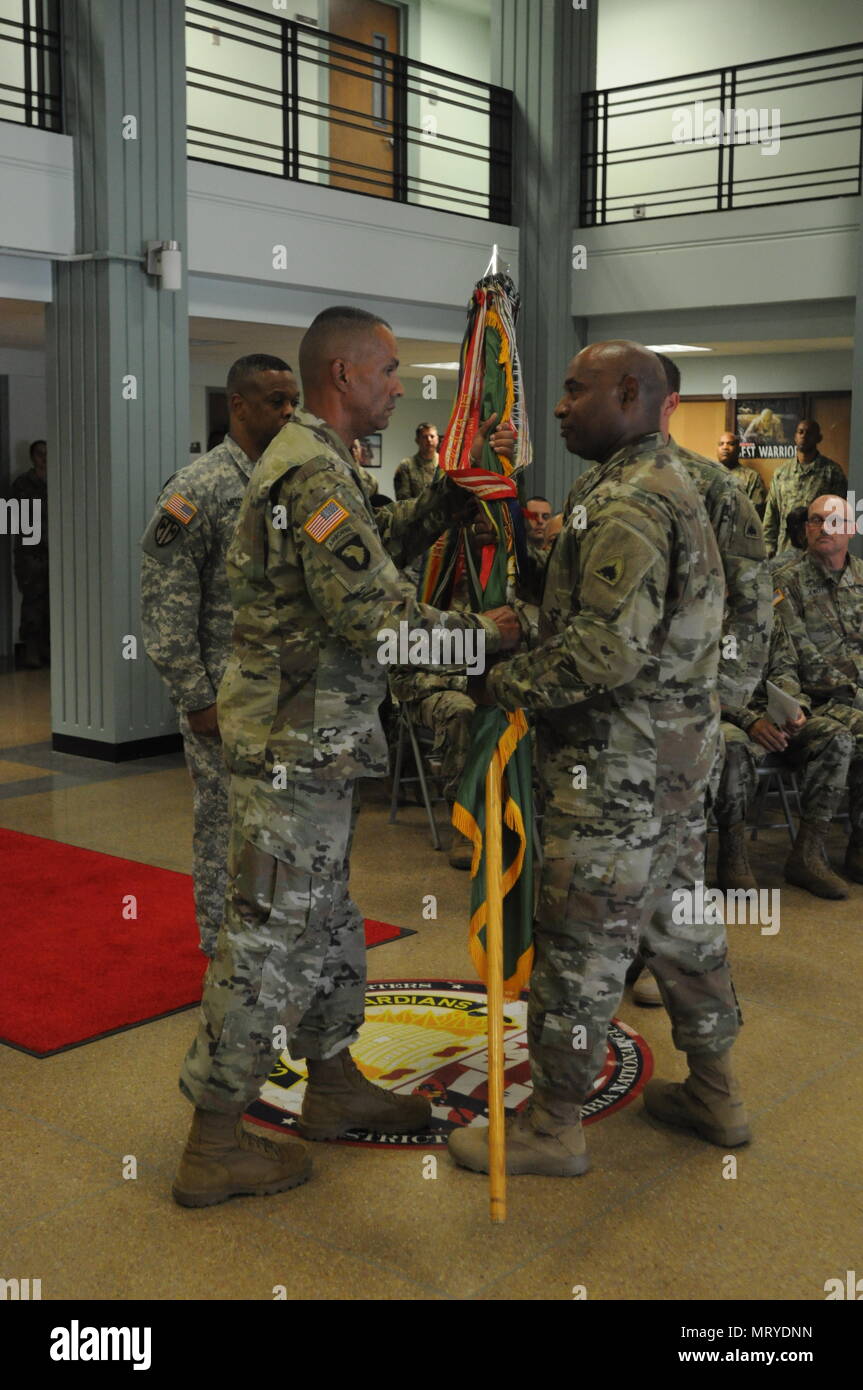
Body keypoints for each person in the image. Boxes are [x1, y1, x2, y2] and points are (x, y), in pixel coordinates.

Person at [173, 306, 520, 1207]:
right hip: (293, 747)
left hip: (313, 744)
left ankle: (331, 1084)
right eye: (390, 370)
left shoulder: (323, 466)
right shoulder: (311, 477)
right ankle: (213, 1140)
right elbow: (389, 626)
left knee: (326, 924)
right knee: (266, 938)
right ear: (344, 375)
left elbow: (379, 546)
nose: (400, 386)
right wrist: (495, 634)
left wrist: (453, 492)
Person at [448, 340, 748, 1180]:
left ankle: (552, 1125)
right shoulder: (659, 482)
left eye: (574, 390)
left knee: (581, 947)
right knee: (681, 927)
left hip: (614, 773)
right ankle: (715, 1091)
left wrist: (504, 685)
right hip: (673, 767)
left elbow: (602, 652)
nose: (557, 405)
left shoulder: (628, 499)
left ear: (627, 392)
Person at [622, 355, 770, 1004]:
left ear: (665, 403)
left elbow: (753, 598)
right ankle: (628, 950)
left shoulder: (712, 488)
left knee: (677, 844)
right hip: (616, 706)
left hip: (683, 707)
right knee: (625, 841)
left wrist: (725, 694)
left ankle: (674, 970)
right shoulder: (605, 484)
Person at [141, 354, 299, 957]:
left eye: (293, 401)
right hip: (226, 702)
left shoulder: (296, 481)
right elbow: (165, 605)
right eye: (274, 401)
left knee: (284, 822)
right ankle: (222, 951)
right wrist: (197, 697)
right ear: (237, 404)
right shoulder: (195, 489)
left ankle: (276, 938)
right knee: (224, 827)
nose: (288, 412)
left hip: (291, 695)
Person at [718, 494, 863, 898]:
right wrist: (750, 720)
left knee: (837, 738)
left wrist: (792, 708)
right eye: (815, 521)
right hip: (728, 719)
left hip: (781, 709)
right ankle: (732, 859)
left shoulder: (761, 610)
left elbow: (785, 663)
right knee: (731, 750)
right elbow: (694, 685)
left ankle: (809, 855)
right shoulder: (699, 614)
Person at [762, 419, 846, 557]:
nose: (804, 436)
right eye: (800, 432)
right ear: (795, 437)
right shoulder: (781, 473)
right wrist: (768, 547)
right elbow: (771, 513)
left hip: (818, 553)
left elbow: (839, 517)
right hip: (785, 552)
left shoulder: (832, 472)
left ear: (819, 438)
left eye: (809, 433)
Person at [11, 439, 49, 668]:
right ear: (32, 457)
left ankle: (48, 649)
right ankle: (32, 650)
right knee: (33, 603)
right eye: (39, 454)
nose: (44, 458)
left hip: (54, 552)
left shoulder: (60, 482)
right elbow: (17, 522)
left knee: (52, 603)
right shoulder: (23, 484)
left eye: (47, 454)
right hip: (31, 555)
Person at [716, 431, 766, 516]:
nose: (725, 447)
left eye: (730, 444)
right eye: (721, 444)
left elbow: (755, 512)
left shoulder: (751, 477)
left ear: (738, 449)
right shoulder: (710, 474)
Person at [393, 422, 439, 499]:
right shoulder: (406, 465)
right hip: (416, 510)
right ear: (417, 440)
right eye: (424, 437)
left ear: (437, 439)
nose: (429, 440)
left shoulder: (445, 464)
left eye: (432, 436)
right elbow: (403, 498)